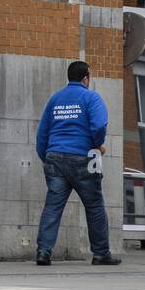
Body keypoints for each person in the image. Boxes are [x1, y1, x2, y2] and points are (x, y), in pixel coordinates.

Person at [34, 61, 121, 266]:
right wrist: (97, 145)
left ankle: (43, 252)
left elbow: (42, 133)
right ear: (86, 77)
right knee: (94, 206)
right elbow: (99, 125)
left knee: (53, 207)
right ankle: (100, 254)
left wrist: (46, 157)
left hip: (55, 158)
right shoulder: (91, 97)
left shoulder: (55, 99)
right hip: (83, 158)